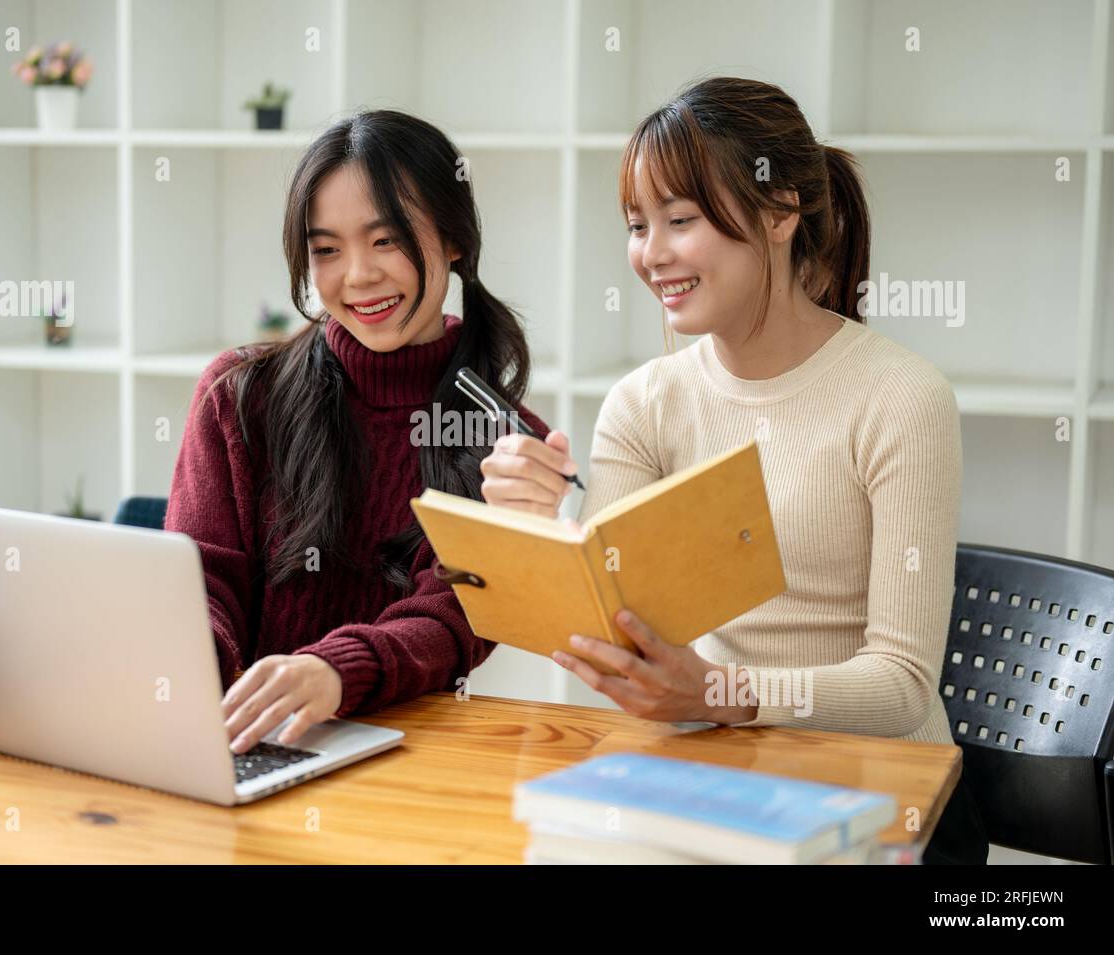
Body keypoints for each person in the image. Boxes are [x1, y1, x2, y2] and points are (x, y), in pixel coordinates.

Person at [479, 77, 988, 863]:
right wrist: (537, 528)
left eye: (680, 220)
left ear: (780, 211)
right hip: (723, 774)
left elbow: (901, 687)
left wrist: (723, 693)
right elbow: (611, 632)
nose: (652, 255)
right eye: (638, 225)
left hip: (887, 790)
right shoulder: (644, 403)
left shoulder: (901, 397)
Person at [166, 110, 547, 755]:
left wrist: (335, 672)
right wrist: (186, 663)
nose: (358, 276)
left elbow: (452, 619)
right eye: (327, 250)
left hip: (409, 760)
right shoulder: (239, 395)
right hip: (245, 742)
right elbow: (200, 581)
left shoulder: (506, 445)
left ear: (454, 239)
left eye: (387, 240)